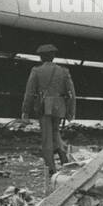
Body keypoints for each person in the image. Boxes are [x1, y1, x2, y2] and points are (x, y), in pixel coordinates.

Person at [22, 44, 75, 172]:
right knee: (56, 132)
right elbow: (71, 93)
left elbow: (29, 93)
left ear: (41, 57)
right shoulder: (63, 71)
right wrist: (70, 112)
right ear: (53, 56)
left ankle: (51, 168)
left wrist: (25, 111)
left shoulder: (36, 71)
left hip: (44, 105)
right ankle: (64, 159)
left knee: (47, 137)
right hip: (59, 106)